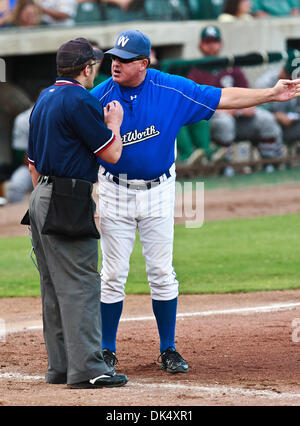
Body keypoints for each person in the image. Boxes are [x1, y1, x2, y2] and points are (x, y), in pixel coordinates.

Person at [90, 29, 300, 374]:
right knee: (113, 274)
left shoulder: (169, 88)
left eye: (125, 60)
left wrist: (270, 95)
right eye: (114, 58)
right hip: (114, 190)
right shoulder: (99, 97)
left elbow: (222, 97)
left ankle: (168, 348)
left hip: (159, 190)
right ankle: (106, 350)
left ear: (143, 63)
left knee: (161, 271)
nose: (116, 64)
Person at [27, 37, 128, 389]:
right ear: (87, 68)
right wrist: (114, 122)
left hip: (40, 194)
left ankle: (61, 366)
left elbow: (32, 163)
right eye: (95, 65)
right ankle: (88, 369)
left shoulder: (44, 98)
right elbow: (111, 154)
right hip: (67, 195)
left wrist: (46, 196)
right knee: (82, 285)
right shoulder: (80, 100)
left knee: (54, 285)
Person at [187, 25, 284, 175]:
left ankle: (270, 162)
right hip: (213, 119)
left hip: (240, 116)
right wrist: (224, 109)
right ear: (201, 45)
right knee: (225, 121)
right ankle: (226, 165)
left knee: (266, 118)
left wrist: (247, 106)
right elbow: (195, 103)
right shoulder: (195, 71)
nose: (212, 46)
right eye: (208, 42)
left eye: (215, 41)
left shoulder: (232, 67)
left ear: (221, 44)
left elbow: (248, 93)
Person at [255, 49, 300, 154]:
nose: (293, 79)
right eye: (290, 75)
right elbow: (256, 109)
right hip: (267, 124)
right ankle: (271, 162)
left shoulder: (297, 82)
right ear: (284, 69)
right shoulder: (266, 81)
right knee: (269, 121)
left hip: (290, 125)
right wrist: (276, 116)